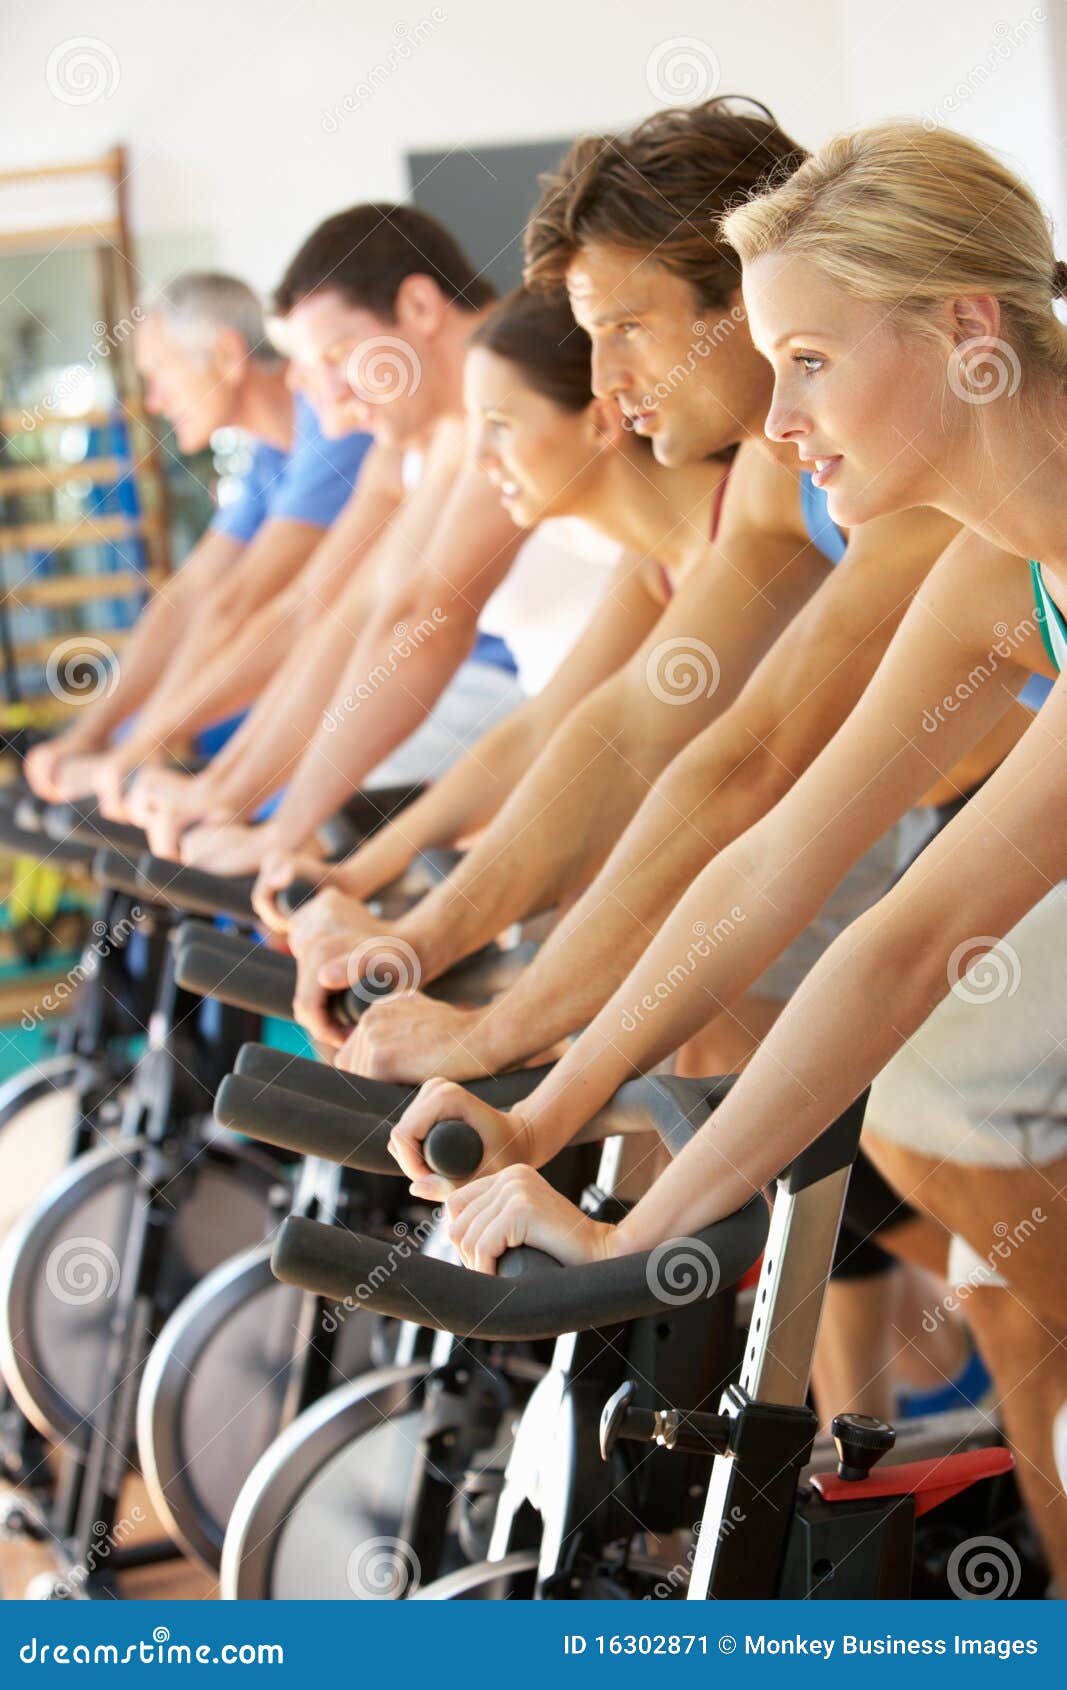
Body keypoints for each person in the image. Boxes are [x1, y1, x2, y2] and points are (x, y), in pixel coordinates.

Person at [394, 121, 1067, 1582]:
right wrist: (596, 1175)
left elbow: (747, 770)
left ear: (965, 332)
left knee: (939, 1125)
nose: (779, 416)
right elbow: (864, 914)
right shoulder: (992, 570)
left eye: (809, 363)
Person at [255, 284, 726, 1030]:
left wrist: (426, 949)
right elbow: (543, 729)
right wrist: (350, 875)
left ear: (602, 421)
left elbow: (620, 746)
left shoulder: (732, 533)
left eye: (499, 426)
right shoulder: (650, 564)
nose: (479, 458)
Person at [139, 207, 602, 873]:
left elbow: (426, 623)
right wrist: (226, 795)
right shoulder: (441, 433)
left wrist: (275, 826)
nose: (328, 392)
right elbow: (359, 611)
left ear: (418, 305)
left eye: (337, 355)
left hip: (611, 736)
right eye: (312, 365)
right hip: (577, 733)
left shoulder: (512, 397)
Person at [23, 271, 372, 805]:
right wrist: (91, 736)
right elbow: (188, 596)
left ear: (229, 357)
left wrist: (138, 747)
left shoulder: (332, 429)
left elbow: (240, 600)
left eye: (160, 375)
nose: (157, 401)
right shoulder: (266, 462)